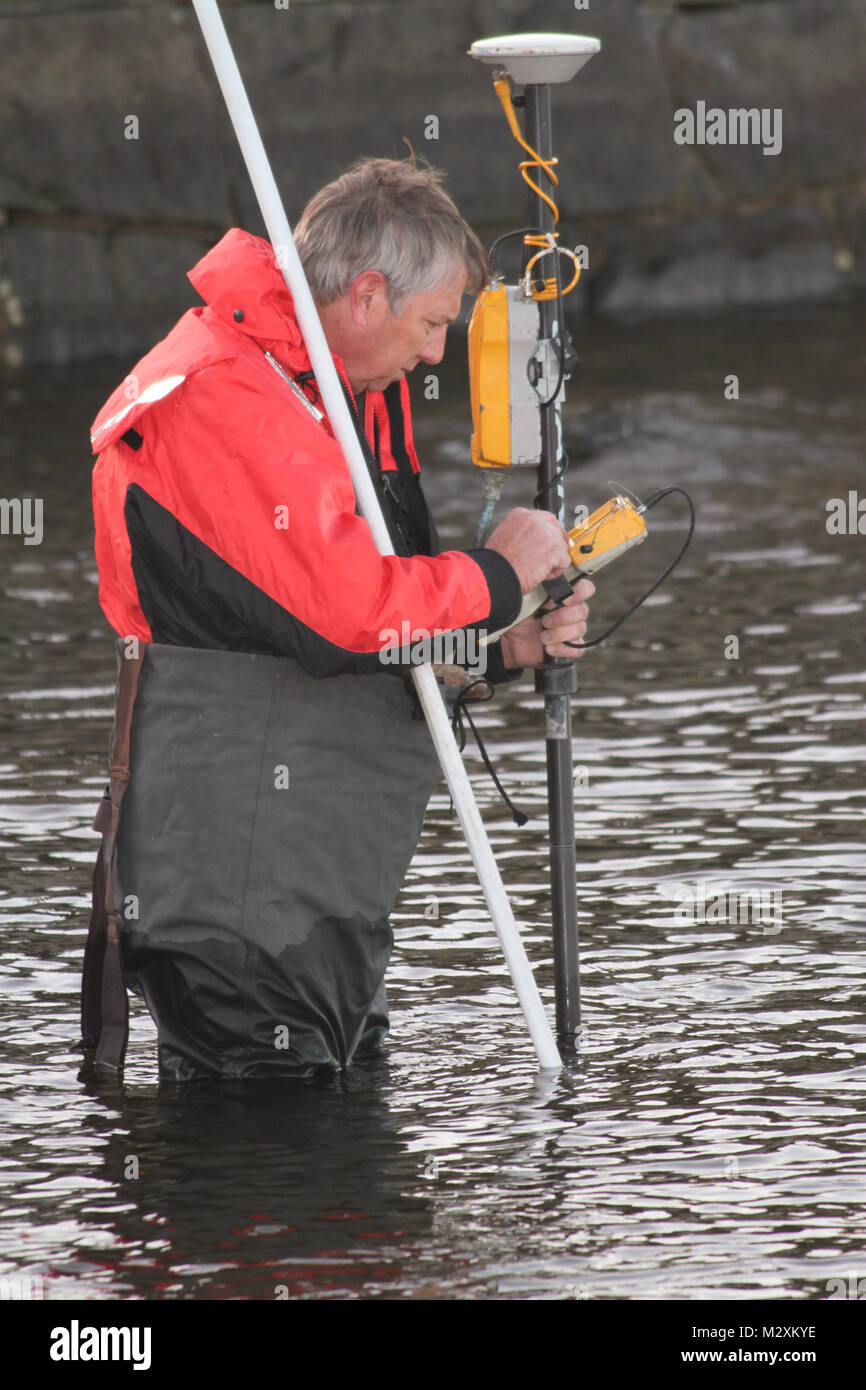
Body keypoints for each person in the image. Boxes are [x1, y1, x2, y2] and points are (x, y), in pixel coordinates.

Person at [80, 157, 594, 1082]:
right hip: (241, 907)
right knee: (272, 1179)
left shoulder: (322, 389)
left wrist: (497, 646)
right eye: (433, 323)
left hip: (321, 896)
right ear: (365, 295)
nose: (439, 355)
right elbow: (347, 618)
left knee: (347, 1164)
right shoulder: (225, 395)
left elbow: (348, 619)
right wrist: (497, 574)